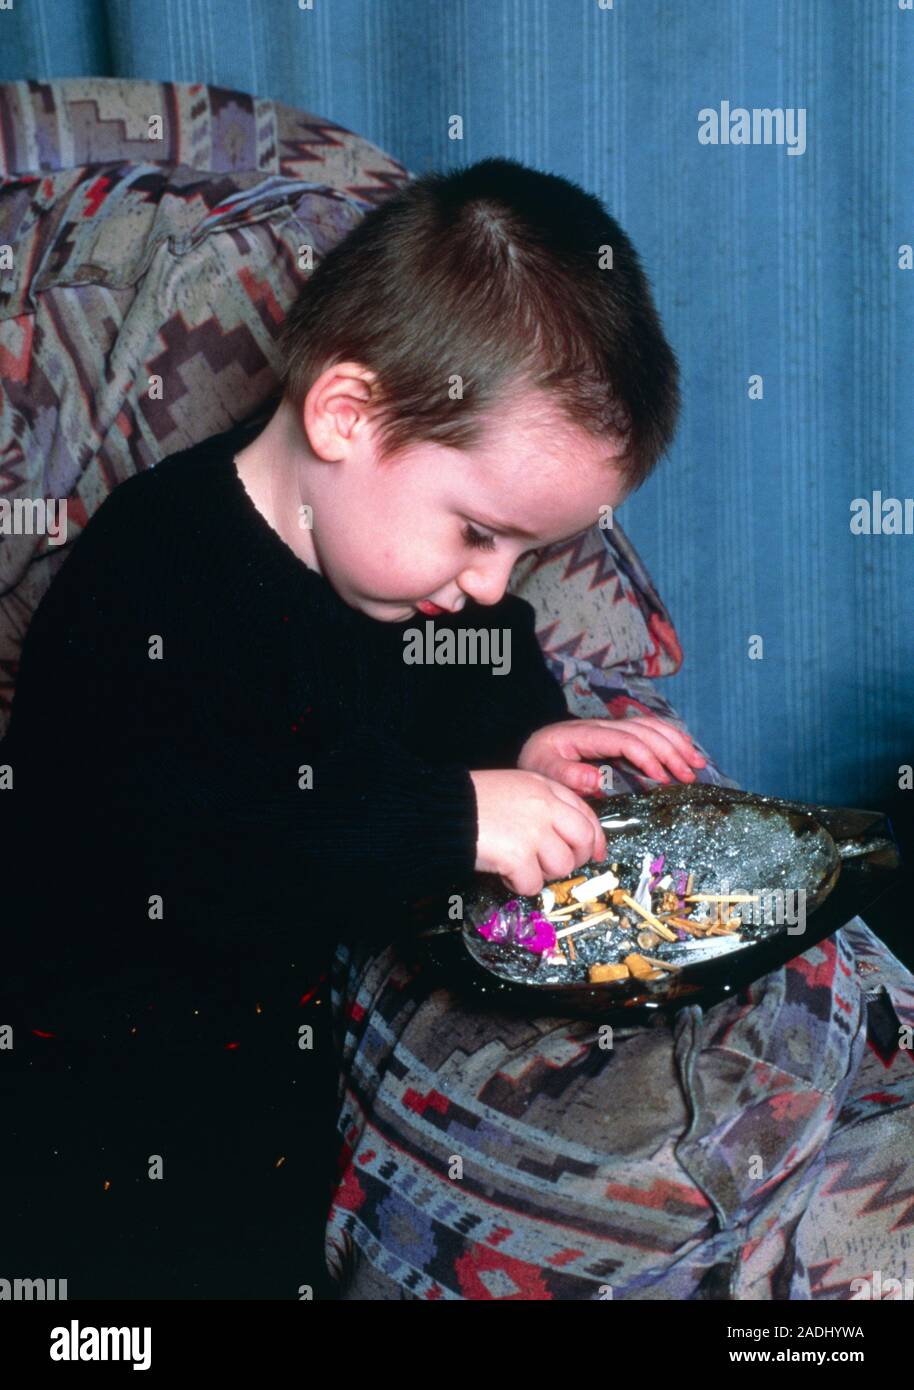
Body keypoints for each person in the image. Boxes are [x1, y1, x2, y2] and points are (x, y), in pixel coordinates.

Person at [0, 157, 707, 1298]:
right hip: (90, 1136)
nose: (489, 583)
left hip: (263, 1111)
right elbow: (211, 843)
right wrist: (454, 811)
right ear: (344, 414)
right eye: (479, 532)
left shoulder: (386, 572)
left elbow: (466, 659)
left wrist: (522, 739)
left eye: (524, 552)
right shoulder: (156, 578)